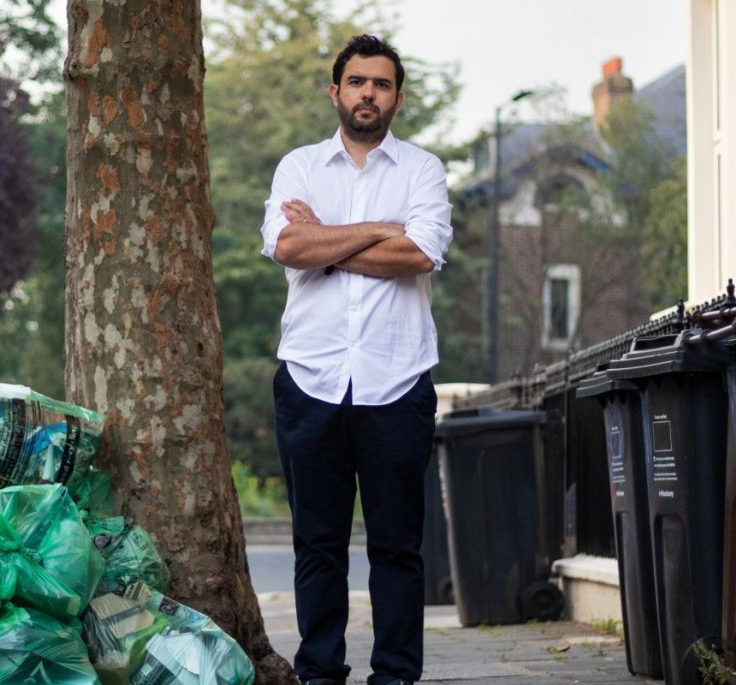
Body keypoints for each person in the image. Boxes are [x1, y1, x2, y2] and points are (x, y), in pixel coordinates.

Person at [259, 34, 453, 685]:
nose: (368, 92)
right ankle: (319, 671)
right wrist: (380, 228)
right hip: (310, 378)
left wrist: (329, 240)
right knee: (317, 544)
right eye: (357, 81)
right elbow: (288, 244)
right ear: (335, 91)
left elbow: (419, 254)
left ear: (395, 96)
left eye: (381, 83)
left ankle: (395, 674)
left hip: (396, 382)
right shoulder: (299, 167)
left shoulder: (422, 170)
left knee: (397, 546)